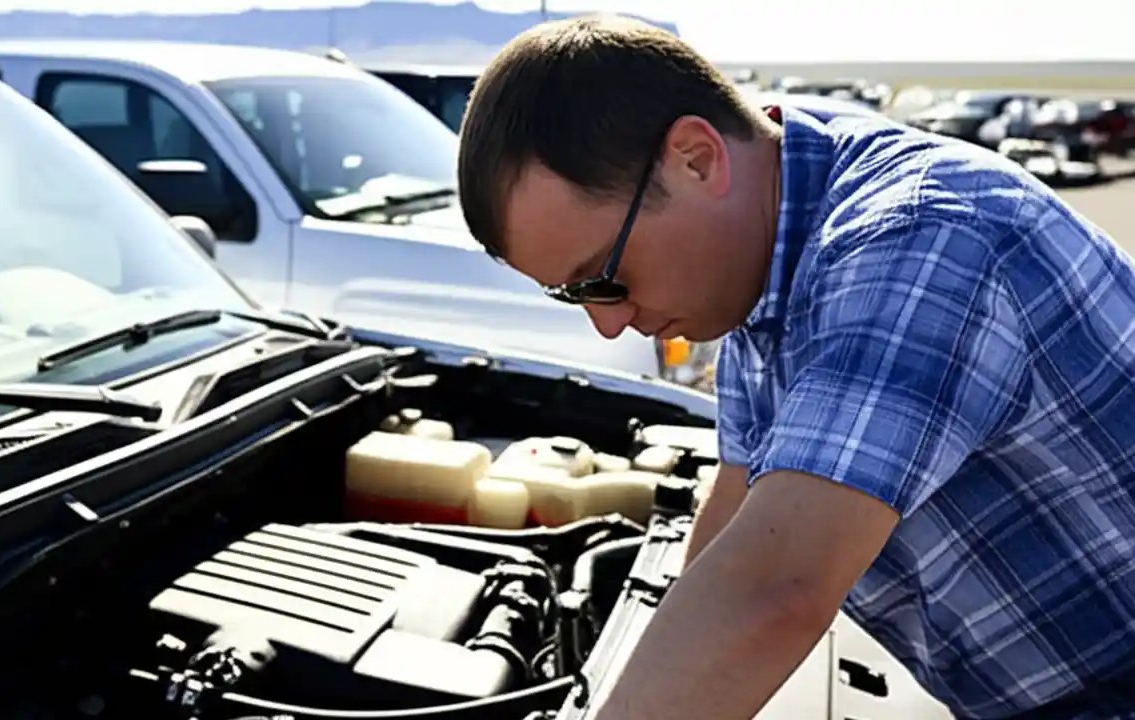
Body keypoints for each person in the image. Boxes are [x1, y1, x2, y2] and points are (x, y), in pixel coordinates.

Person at [456, 13, 1135, 720]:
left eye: (605, 276)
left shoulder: (922, 240)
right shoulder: (769, 234)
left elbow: (775, 588)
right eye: (574, 296)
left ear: (696, 157)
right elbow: (739, 505)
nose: (607, 322)